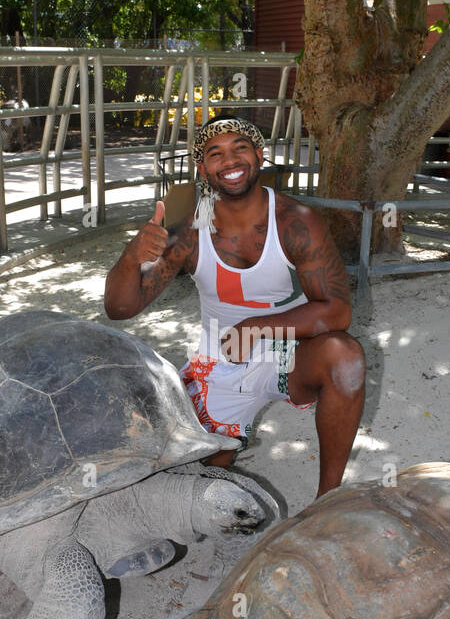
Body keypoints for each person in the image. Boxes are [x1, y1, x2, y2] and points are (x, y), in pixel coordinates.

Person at [103, 118, 366, 498]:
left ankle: (327, 499)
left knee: (346, 357)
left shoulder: (296, 221)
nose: (229, 160)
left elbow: (337, 312)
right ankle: (222, 440)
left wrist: (256, 326)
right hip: (218, 359)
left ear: (259, 155)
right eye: (215, 154)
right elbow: (120, 308)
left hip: (287, 349)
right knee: (193, 478)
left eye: (240, 148)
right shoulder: (189, 232)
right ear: (202, 168)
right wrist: (131, 257)